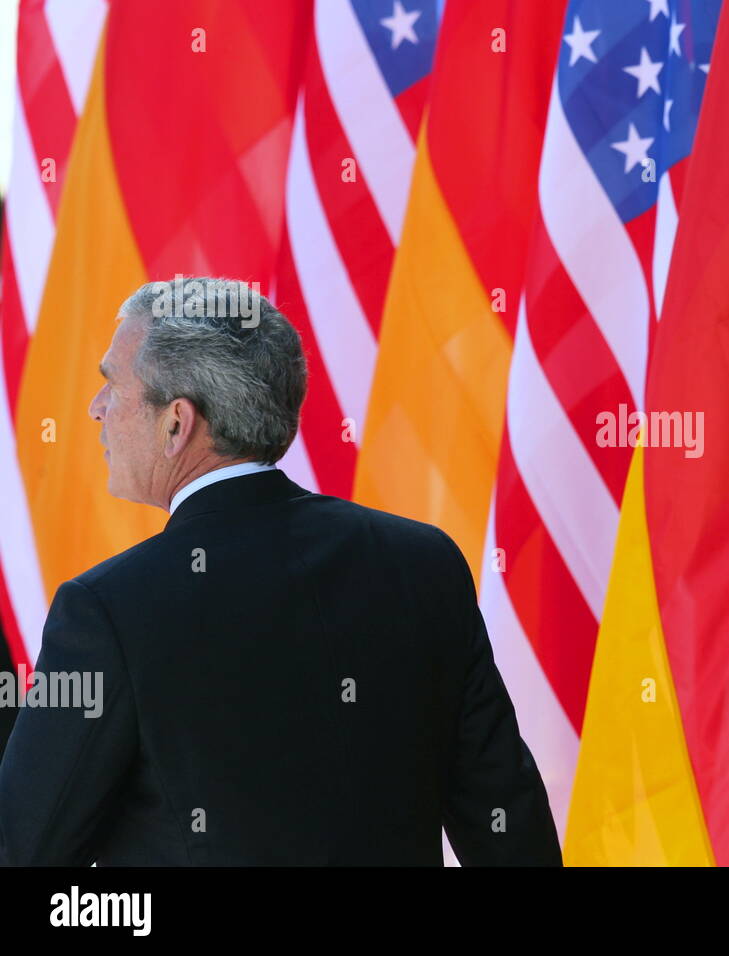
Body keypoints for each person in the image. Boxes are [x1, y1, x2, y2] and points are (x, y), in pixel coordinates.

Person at [0, 277, 561, 865]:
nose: (96, 407)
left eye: (112, 384)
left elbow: (26, 847)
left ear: (177, 423)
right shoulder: (425, 563)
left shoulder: (106, 609)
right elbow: (509, 828)